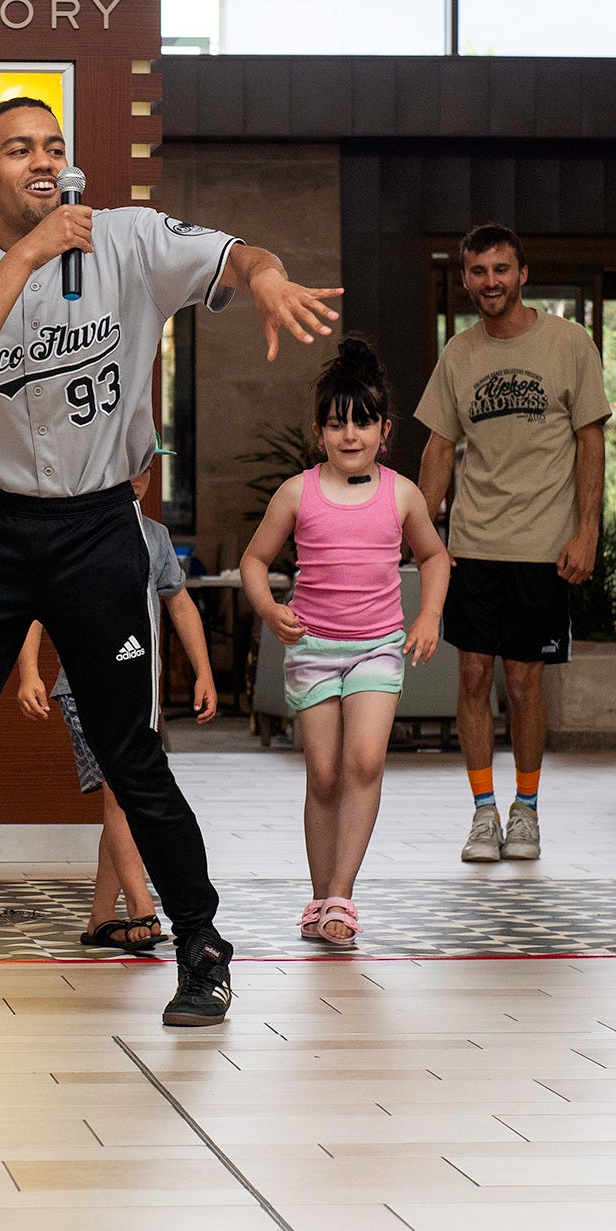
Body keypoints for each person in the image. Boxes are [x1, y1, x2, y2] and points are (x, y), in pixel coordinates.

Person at [0, 95, 342, 1031]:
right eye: (18, 150)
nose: (43, 160)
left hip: (100, 528)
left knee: (130, 752)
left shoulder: (129, 239)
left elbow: (239, 254)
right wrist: (30, 252)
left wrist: (267, 277)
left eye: (54, 146)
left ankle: (203, 951)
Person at [242, 336, 449, 949]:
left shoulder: (402, 493)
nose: (349, 434)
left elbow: (434, 556)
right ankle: (318, 897)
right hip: (312, 650)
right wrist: (269, 608)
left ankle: (341, 896)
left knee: (364, 761)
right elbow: (255, 561)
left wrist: (428, 615)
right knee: (326, 773)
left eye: (362, 422)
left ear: (385, 430)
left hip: (377, 647)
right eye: (336, 424)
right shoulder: (297, 492)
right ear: (319, 433)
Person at [414, 225, 609, 864]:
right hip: (474, 544)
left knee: (524, 684)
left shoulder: (569, 343)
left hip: (543, 548)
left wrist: (587, 530)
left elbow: (590, 441)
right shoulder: (458, 353)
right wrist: (421, 532)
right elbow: (440, 447)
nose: (490, 281)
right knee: (473, 676)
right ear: (466, 279)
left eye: (501, 269)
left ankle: (525, 811)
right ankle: (482, 812)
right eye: (479, 271)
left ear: (523, 274)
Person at [14, 459, 219, 955]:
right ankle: (141, 903)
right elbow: (34, 609)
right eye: (122, 469)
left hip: (140, 692)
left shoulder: (154, 536)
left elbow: (180, 603)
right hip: (84, 692)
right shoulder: (72, 534)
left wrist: (203, 671)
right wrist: (29, 672)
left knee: (123, 799)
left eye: (142, 469)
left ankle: (101, 916)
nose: (134, 480)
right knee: (122, 797)